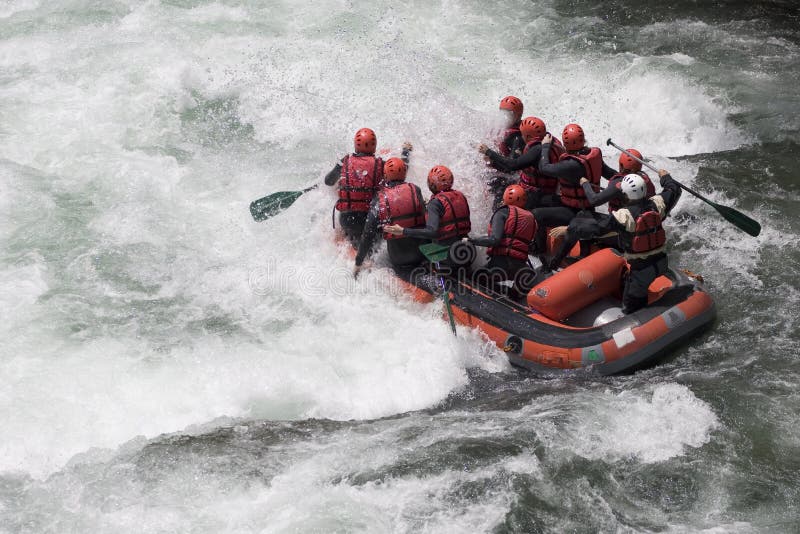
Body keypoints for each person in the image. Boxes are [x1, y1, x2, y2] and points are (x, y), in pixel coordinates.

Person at [546, 148, 657, 269]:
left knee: (579, 221)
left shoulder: (620, 184)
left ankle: (555, 263)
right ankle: (585, 251)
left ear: (621, 165)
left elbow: (594, 200)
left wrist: (585, 184)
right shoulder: (645, 182)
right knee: (583, 215)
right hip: (636, 227)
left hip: (620, 229)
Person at [531, 123, 617, 255]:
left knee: (536, 214)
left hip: (575, 211)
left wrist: (545, 147)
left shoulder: (570, 164)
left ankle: (540, 249)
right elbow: (610, 174)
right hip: (585, 206)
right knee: (540, 198)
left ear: (566, 144)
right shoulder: (594, 155)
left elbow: (544, 168)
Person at [324, 128, 411, 246]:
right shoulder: (380, 164)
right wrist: (406, 152)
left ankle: (346, 249)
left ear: (355, 145)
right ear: (374, 146)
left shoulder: (344, 161)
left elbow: (328, 181)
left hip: (346, 221)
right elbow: (401, 172)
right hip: (369, 221)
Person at [353, 157, 427, 278]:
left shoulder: (380, 197)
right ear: (404, 174)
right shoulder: (415, 189)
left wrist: (358, 262)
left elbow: (368, 233)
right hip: (422, 252)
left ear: (385, 176)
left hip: (399, 258)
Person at [478, 116, 565, 210]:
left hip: (538, 194)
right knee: (499, 182)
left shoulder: (537, 149)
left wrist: (488, 151)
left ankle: (498, 216)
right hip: (546, 189)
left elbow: (513, 165)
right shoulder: (552, 141)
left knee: (501, 194)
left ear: (528, 136)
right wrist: (494, 164)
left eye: (522, 134)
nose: (521, 137)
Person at [468, 184, 537, 298]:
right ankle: (513, 293)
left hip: (501, 266)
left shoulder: (502, 212)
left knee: (472, 277)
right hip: (521, 270)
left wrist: (471, 240)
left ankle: (503, 292)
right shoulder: (532, 218)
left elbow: (494, 240)